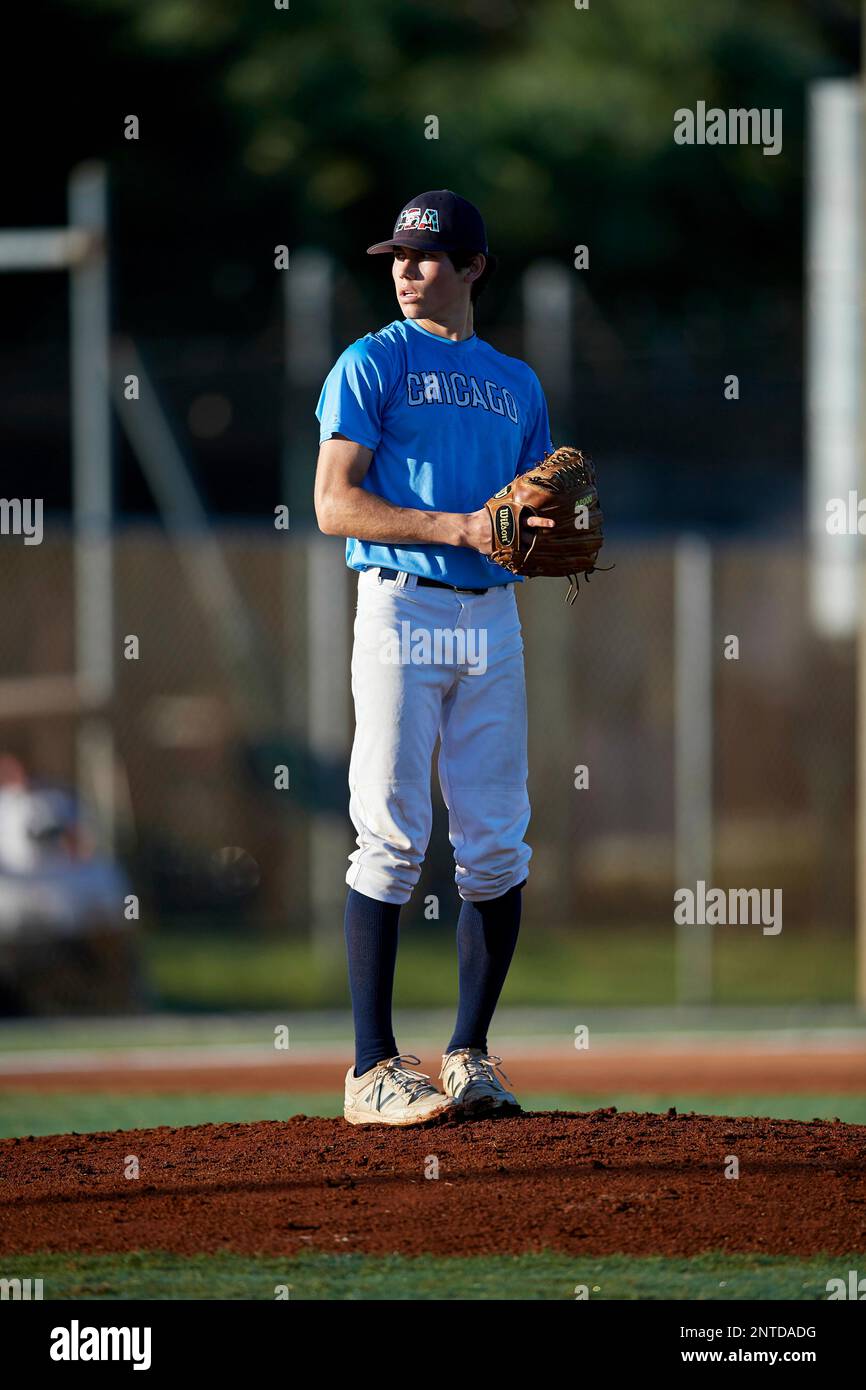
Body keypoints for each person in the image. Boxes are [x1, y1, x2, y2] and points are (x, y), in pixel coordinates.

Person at [314, 190, 554, 1126]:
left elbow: (532, 517)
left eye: (427, 256)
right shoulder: (372, 361)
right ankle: (372, 1068)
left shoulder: (518, 384)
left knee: (496, 840)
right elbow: (335, 502)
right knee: (392, 830)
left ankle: (470, 1056)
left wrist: (542, 534)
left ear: (474, 268)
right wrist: (457, 525)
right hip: (402, 608)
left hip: (493, 619)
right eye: (398, 257)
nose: (408, 270)